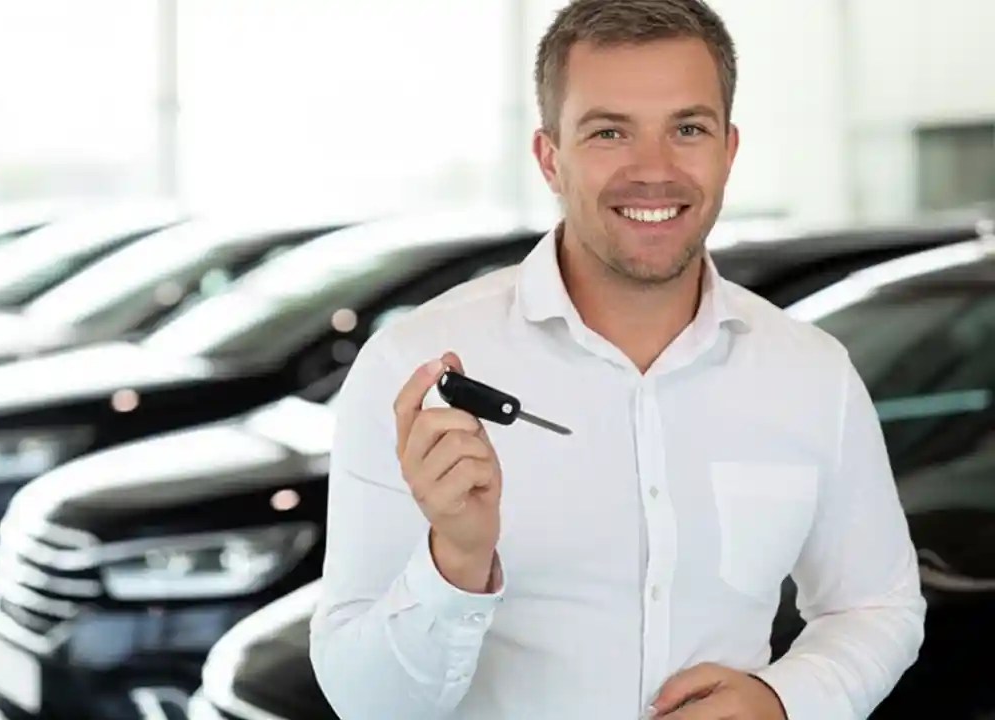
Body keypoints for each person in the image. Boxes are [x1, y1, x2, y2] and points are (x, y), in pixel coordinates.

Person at [309, 0, 926, 718]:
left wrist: (782, 701)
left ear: (728, 150)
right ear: (550, 156)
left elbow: (879, 606)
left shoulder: (812, 373)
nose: (653, 171)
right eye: (609, 132)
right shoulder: (413, 371)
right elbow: (365, 703)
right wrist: (457, 560)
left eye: (687, 129)